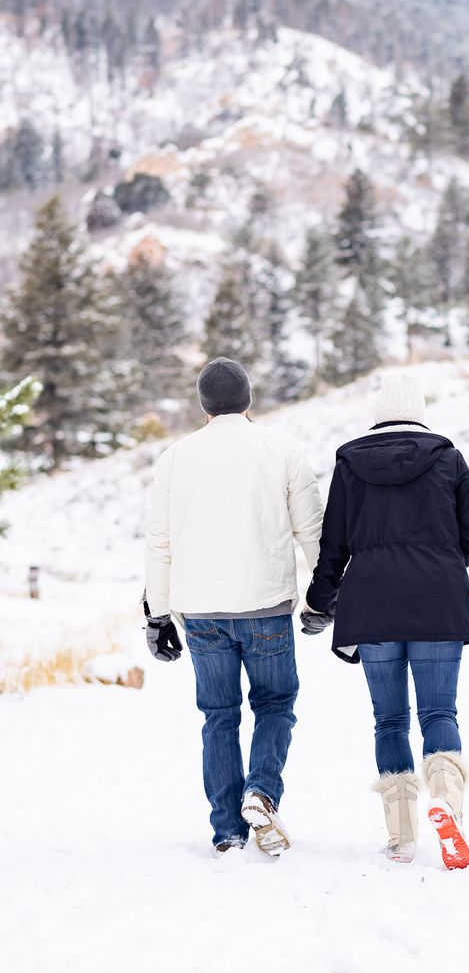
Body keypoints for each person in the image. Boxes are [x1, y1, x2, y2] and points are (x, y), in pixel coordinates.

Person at [302, 370, 469, 870]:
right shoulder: (447, 457)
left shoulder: (350, 462)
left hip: (372, 602)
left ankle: (402, 836)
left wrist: (320, 601)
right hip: (437, 601)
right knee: (439, 713)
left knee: (389, 719)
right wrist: (445, 562)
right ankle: (447, 800)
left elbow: (333, 544)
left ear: (377, 413)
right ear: (420, 412)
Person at [144, 357, 323, 857]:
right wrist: (323, 597)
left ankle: (227, 831)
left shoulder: (175, 458)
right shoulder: (283, 450)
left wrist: (157, 615)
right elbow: (312, 531)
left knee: (218, 715)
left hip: (200, 611)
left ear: (203, 406)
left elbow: (159, 543)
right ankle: (261, 791)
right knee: (275, 704)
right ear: (248, 400)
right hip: (266, 606)